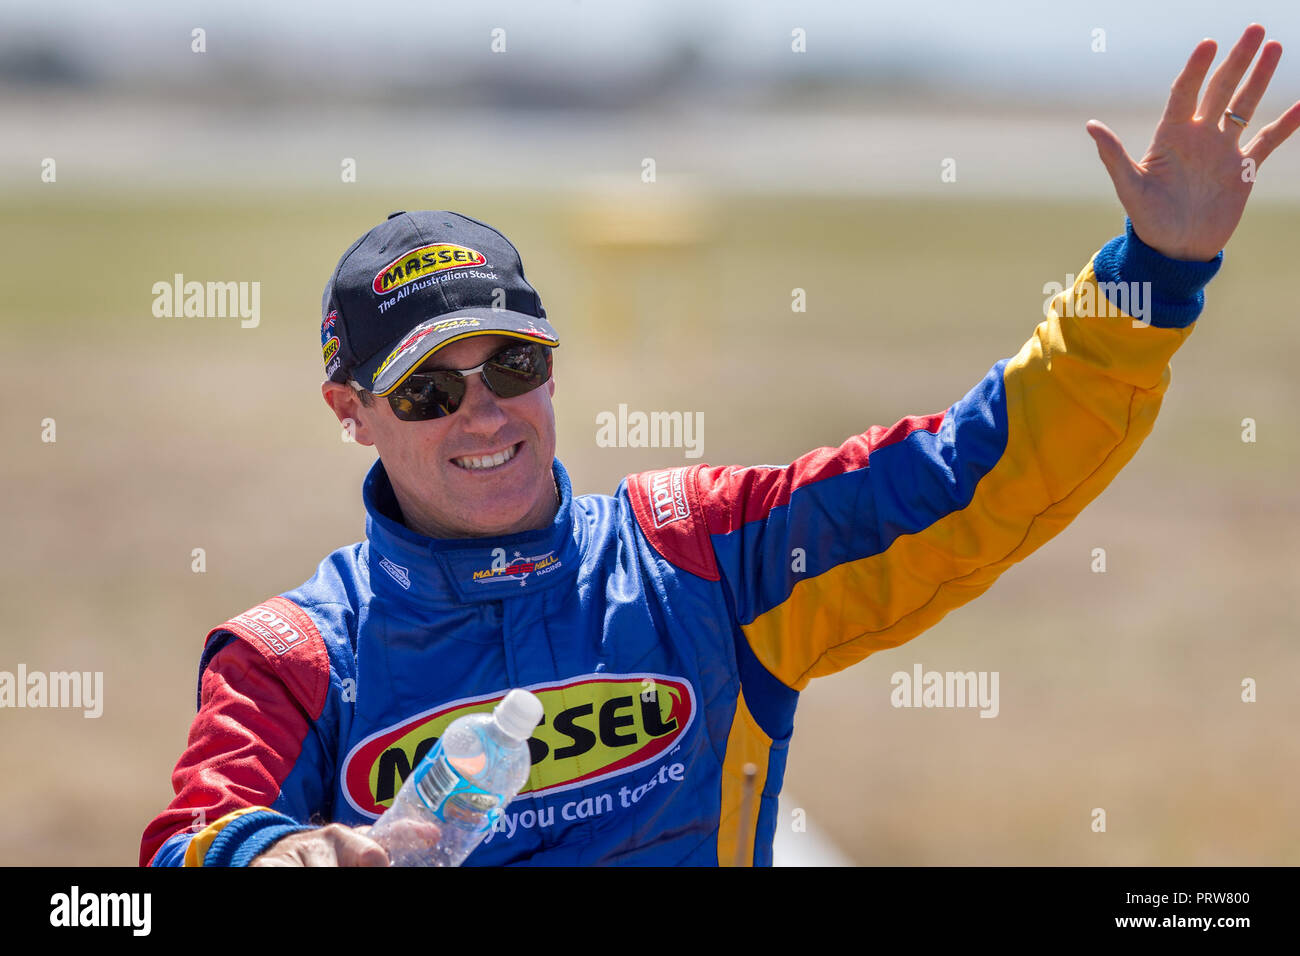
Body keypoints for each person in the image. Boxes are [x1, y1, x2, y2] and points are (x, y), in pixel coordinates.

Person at [140, 24, 1300, 866]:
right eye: (429, 389)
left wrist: (1155, 274)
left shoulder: (700, 555)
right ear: (351, 410)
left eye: (512, 365)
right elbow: (184, 850)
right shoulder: (290, 658)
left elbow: (973, 474)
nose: (485, 412)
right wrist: (273, 859)